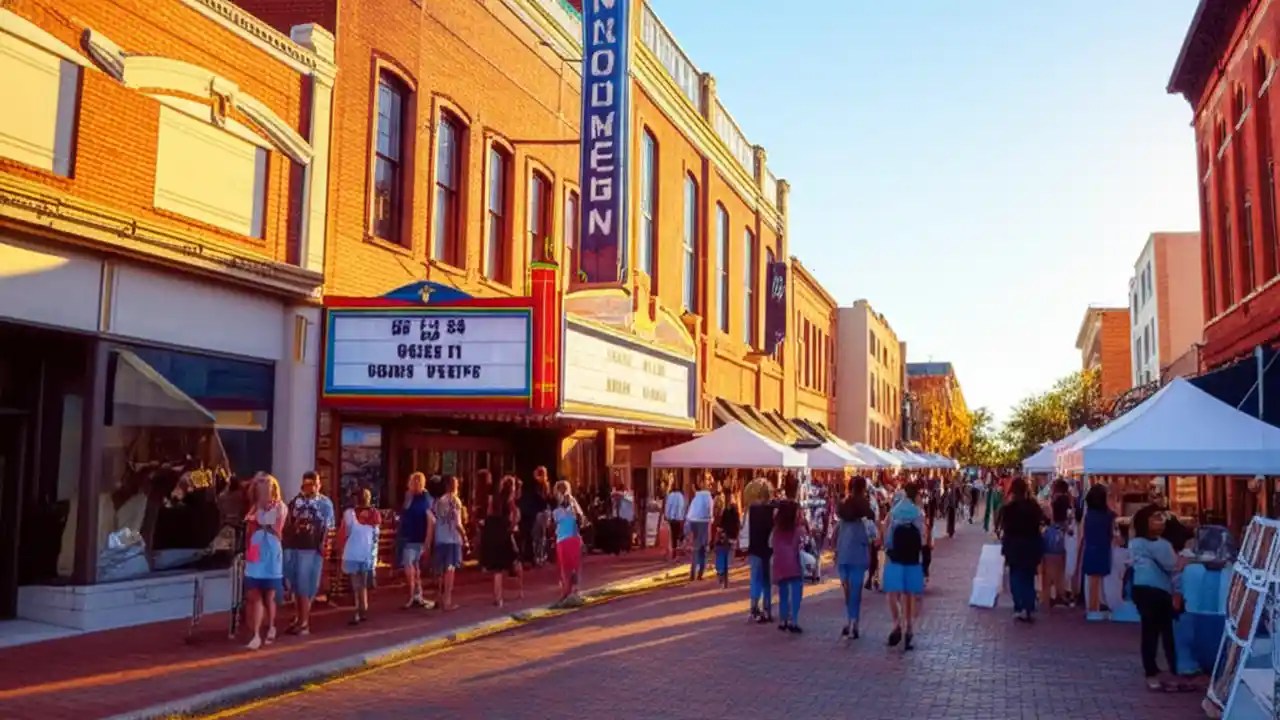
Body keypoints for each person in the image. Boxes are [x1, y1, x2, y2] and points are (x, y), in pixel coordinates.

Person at [1130, 510, 1191, 692]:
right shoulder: (1163, 545)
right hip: (1160, 591)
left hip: (1141, 589)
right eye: (1155, 518)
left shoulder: (1135, 544)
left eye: (1161, 518)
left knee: (1150, 632)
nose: (1160, 522)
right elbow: (1172, 566)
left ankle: (1152, 672)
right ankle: (1172, 671)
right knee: (1167, 632)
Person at [282, 470, 334, 636]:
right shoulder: (295, 502)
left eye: (314, 483)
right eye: (308, 483)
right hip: (294, 546)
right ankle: (299, 618)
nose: (311, 487)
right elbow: (287, 522)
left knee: (307, 585)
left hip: (312, 548)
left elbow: (329, 528)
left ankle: (304, 623)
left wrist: (326, 548)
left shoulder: (325, 504)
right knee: (297, 585)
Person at [243, 473, 287, 650]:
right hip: (255, 549)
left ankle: (271, 627)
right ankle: (255, 634)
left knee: (269, 594)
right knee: (255, 594)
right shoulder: (254, 507)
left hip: (271, 550)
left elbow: (276, 525)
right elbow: (248, 524)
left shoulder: (279, 507)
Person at [883, 483, 925, 651]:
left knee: (893, 592)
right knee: (909, 594)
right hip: (912, 558)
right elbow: (922, 536)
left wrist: (888, 550)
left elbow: (888, 536)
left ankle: (896, 623)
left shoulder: (895, 511)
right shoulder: (918, 513)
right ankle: (909, 628)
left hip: (895, 556)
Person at [833, 476, 875, 640]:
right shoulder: (865, 509)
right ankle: (854, 622)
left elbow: (837, 531)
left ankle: (850, 620)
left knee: (847, 590)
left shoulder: (843, 507)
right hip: (858, 552)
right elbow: (872, 532)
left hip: (844, 550)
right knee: (856, 591)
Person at [999, 477, 1046, 622]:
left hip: (1014, 546)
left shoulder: (1009, 508)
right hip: (1031, 545)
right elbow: (1042, 521)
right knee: (1028, 576)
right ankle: (1028, 605)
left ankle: (1020, 606)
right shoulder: (1033, 507)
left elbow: (1003, 525)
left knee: (1016, 575)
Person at [771, 477, 808, 633]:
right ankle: (794, 620)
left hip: (779, 552)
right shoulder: (797, 510)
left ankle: (783, 619)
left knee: (783, 589)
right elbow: (802, 529)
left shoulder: (778, 510)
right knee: (796, 588)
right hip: (793, 554)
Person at [481, 475, 523, 607]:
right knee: (515, 558)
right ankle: (520, 589)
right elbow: (515, 514)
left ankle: (498, 597)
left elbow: (488, 513)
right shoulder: (510, 499)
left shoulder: (494, 498)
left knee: (497, 568)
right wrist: (511, 526)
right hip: (504, 530)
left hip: (493, 530)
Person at [340, 487, 379, 625]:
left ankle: (358, 610)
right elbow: (375, 536)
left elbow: (345, 533)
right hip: (366, 553)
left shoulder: (349, 514)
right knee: (362, 584)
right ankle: (363, 608)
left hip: (352, 551)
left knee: (356, 584)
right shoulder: (374, 515)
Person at [430, 476, 468, 611]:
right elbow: (457, 523)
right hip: (452, 538)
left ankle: (438, 598)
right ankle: (447, 600)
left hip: (440, 537)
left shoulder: (439, 501)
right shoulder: (455, 501)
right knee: (450, 570)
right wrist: (464, 536)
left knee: (440, 570)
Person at [1081, 483, 1117, 621]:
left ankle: (1093, 607)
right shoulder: (1109, 515)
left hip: (1090, 548)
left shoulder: (1089, 515)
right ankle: (1096, 606)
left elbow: (1083, 533)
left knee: (1092, 581)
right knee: (1100, 580)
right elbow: (1113, 533)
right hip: (1103, 548)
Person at [398, 472, 432, 609]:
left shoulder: (421, 498)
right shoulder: (422, 497)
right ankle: (418, 594)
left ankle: (412, 595)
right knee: (415, 566)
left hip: (412, 536)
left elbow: (430, 520)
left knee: (410, 566)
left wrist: (428, 541)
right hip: (414, 536)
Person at [744, 476, 775, 623]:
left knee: (755, 579)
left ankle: (754, 607)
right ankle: (767, 609)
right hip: (767, 550)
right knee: (766, 581)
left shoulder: (753, 509)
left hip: (755, 548)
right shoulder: (771, 510)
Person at [1040, 480, 1073, 608]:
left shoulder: (1054, 501)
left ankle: (1047, 598)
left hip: (1052, 536)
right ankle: (1059, 595)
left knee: (1047, 572)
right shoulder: (1067, 502)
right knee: (1060, 570)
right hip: (1060, 538)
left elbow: (1051, 516)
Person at [552, 480, 585, 601]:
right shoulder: (573, 505)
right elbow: (581, 520)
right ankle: (575, 591)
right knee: (575, 566)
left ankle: (565, 591)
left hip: (562, 539)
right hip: (573, 537)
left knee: (565, 568)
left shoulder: (556, 508)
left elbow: (554, 523)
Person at [685, 475, 715, 581]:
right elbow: (710, 514)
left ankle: (693, 573)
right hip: (704, 523)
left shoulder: (696, 498)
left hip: (694, 521)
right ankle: (700, 573)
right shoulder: (708, 498)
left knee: (696, 549)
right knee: (703, 549)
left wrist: (687, 528)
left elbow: (690, 513)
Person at [713, 487, 741, 589]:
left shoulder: (728, 511)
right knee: (725, 555)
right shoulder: (732, 510)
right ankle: (723, 573)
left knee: (722, 553)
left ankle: (722, 573)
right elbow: (736, 525)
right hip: (729, 536)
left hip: (728, 536)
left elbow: (726, 524)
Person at [664, 481, 687, 560]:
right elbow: (683, 507)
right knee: (679, 533)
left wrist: (667, 515)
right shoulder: (681, 496)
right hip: (679, 518)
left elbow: (668, 507)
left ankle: (674, 552)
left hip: (672, 519)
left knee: (673, 535)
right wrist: (683, 517)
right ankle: (678, 549)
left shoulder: (670, 496)